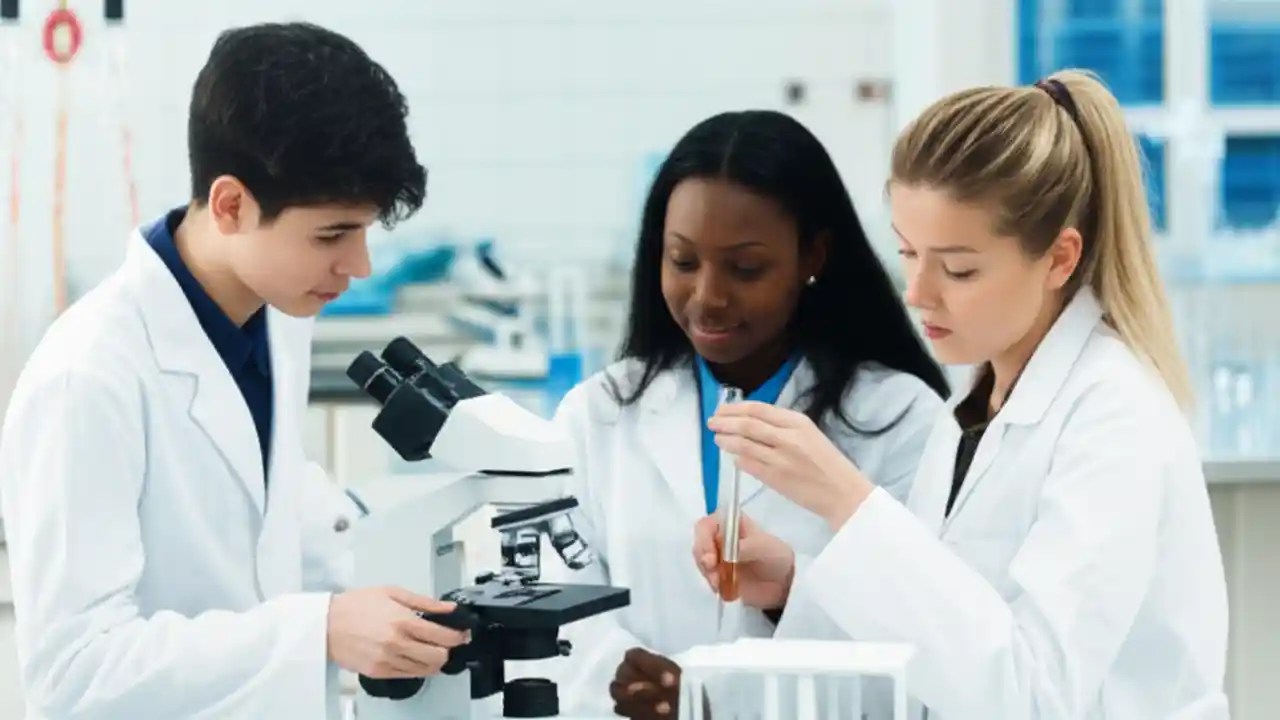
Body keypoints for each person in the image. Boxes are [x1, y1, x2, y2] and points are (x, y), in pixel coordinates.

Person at [698, 70, 1230, 718]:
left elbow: (1033, 694)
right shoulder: (974, 410)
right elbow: (942, 642)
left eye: (958, 269)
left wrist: (847, 501)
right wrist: (791, 585)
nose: (918, 293)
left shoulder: (1114, 417)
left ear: (1060, 259)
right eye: (907, 254)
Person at [0, 23, 468, 719]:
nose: (360, 266)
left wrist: (397, 556)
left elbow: (257, 506)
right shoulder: (87, 376)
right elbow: (73, 675)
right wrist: (320, 630)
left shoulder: (273, 314)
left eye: (364, 231)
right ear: (230, 205)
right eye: (332, 235)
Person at [539, 110, 951, 718]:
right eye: (682, 262)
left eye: (746, 268)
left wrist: (790, 598)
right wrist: (619, 682)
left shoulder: (899, 420)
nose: (707, 297)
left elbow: (927, 642)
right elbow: (551, 611)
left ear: (813, 254)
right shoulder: (598, 415)